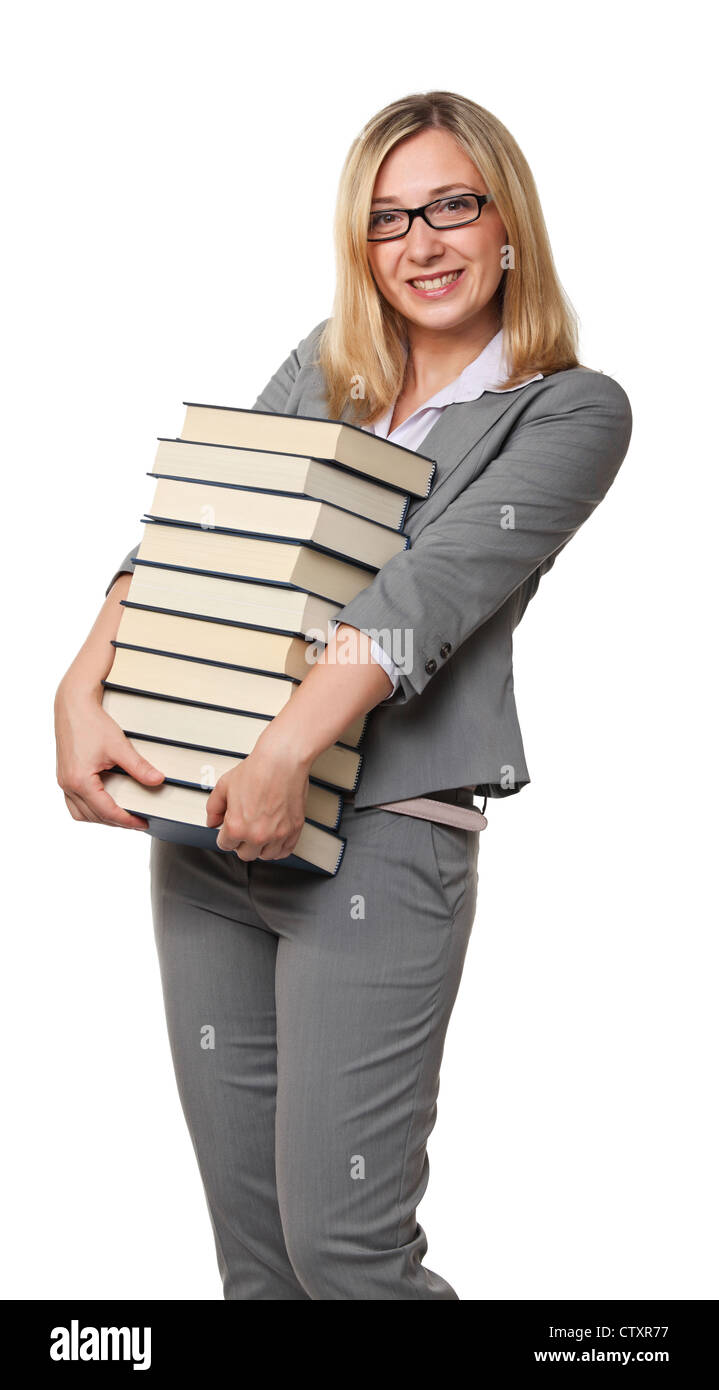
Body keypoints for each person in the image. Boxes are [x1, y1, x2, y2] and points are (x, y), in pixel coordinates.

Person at [54, 90, 632, 1300]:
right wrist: (84, 676)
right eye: (387, 220)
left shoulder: (566, 408)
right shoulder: (320, 369)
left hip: (378, 839)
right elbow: (205, 524)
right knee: (259, 1265)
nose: (421, 243)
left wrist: (285, 755)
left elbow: (427, 594)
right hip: (211, 827)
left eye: (451, 206)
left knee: (346, 1255)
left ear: (506, 222)